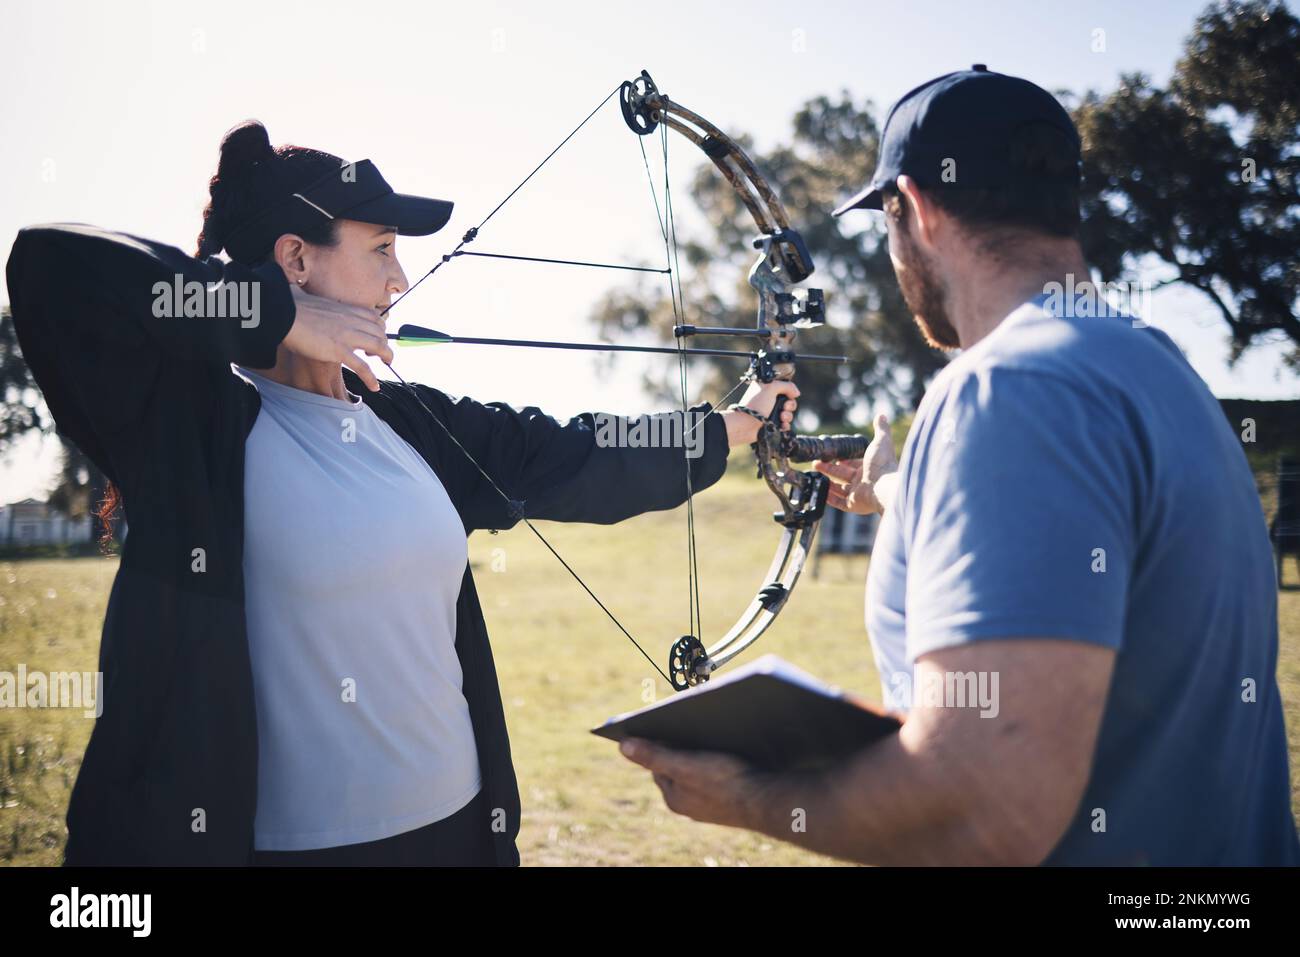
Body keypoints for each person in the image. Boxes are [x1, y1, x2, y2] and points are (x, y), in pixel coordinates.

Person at [5, 120, 797, 866]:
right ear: (295, 259)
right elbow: (54, 266)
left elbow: (569, 452)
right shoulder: (191, 424)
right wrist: (273, 315)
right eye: (382, 248)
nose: (401, 276)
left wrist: (732, 423)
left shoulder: (401, 422)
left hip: (456, 832)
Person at [619, 65, 1300, 865]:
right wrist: (900, 492)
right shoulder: (1158, 369)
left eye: (886, 220)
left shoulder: (1005, 389)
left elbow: (988, 808)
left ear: (914, 207)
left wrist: (748, 798)